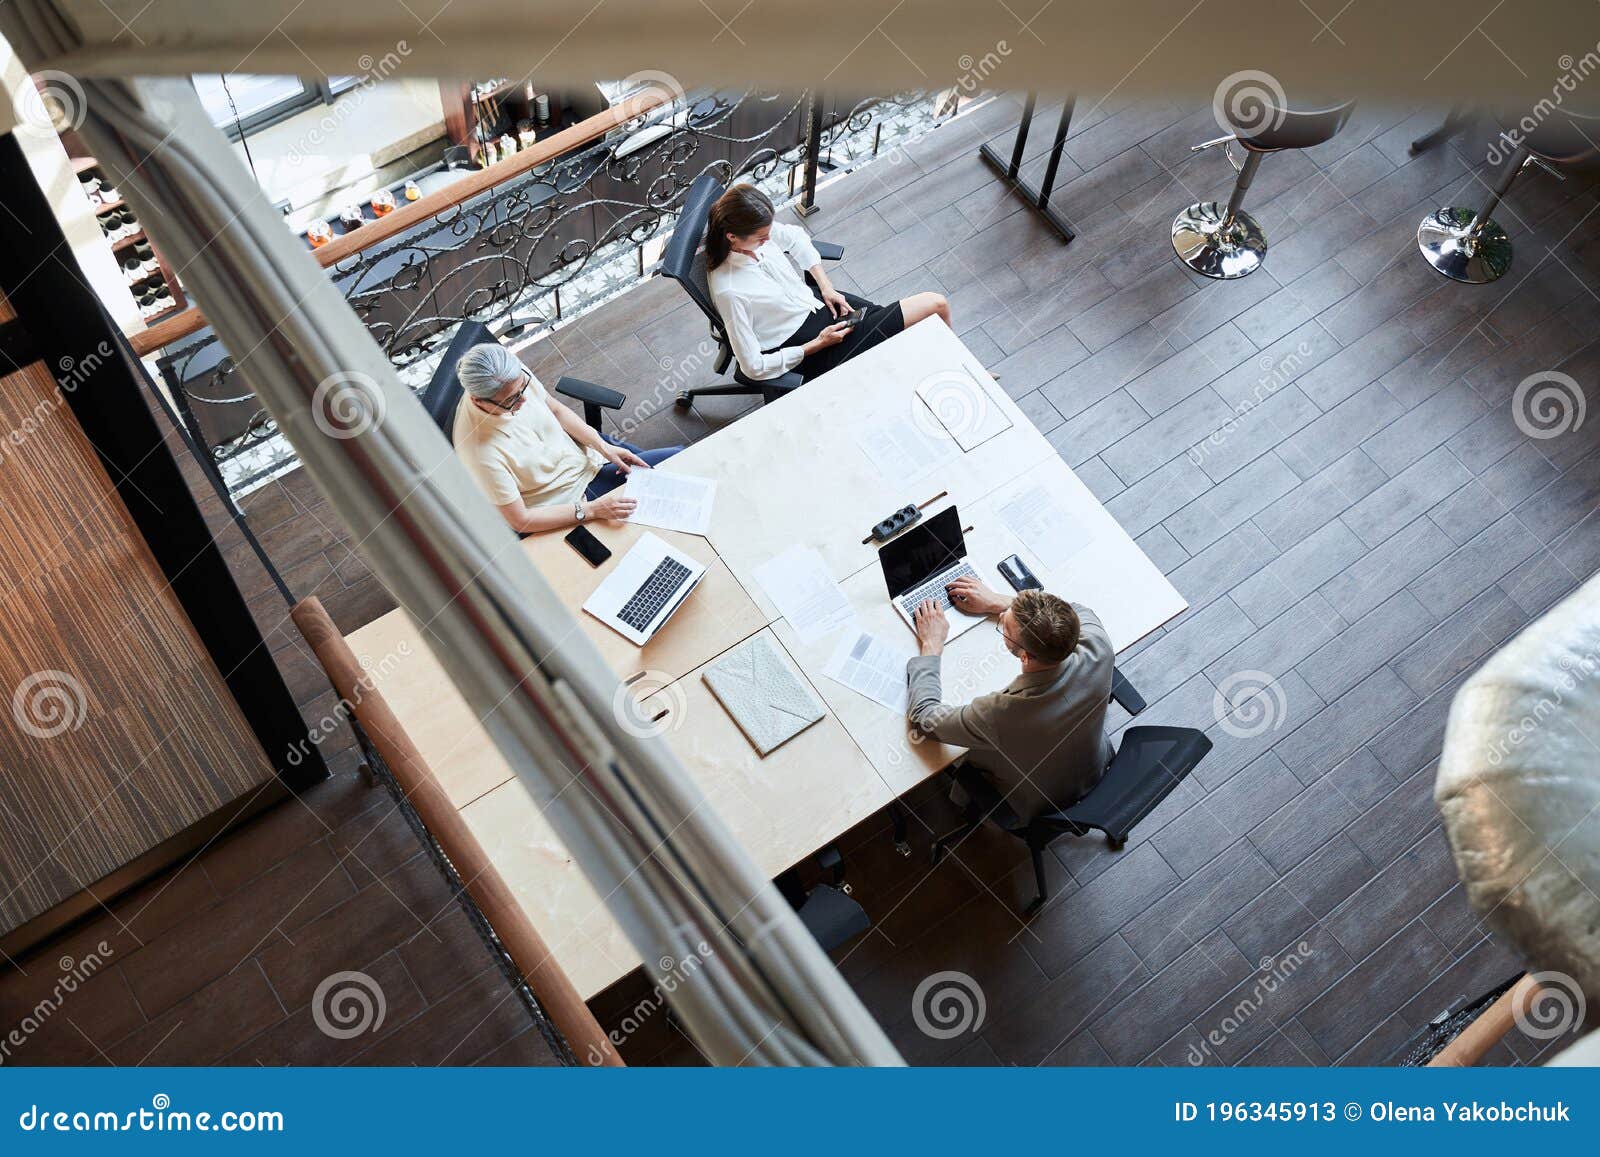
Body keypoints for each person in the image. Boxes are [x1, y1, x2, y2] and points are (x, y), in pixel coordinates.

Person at [907, 576, 1115, 823]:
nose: (1003, 617)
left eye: (1005, 626)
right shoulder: (1099, 642)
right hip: (1093, 765)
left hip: (1038, 799)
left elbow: (924, 718)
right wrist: (998, 602)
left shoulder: (1002, 714)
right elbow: (1079, 611)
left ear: (1025, 657)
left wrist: (931, 644)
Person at [704, 183, 951, 383]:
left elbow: (796, 238)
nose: (769, 239)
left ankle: (938, 373)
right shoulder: (730, 290)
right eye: (761, 238)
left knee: (894, 329)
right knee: (935, 305)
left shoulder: (755, 232)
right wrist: (819, 343)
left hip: (815, 304)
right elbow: (752, 367)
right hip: (805, 343)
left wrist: (825, 287)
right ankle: (953, 371)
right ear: (732, 237)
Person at [452, 342, 683, 535]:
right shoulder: (479, 453)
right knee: (662, 523)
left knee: (681, 462)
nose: (523, 401)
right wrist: (591, 510)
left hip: (590, 460)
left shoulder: (511, 375)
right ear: (478, 401)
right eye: (512, 400)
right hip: (571, 501)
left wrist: (604, 447)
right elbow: (520, 521)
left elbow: (556, 410)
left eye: (524, 388)